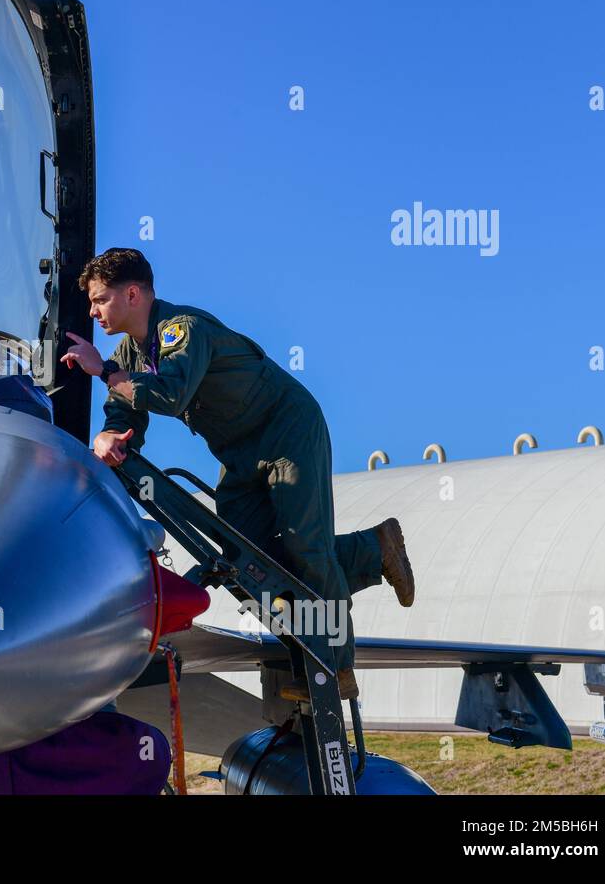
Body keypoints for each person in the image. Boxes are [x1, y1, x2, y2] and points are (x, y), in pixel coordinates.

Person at [59, 248, 414, 701]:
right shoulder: (130, 350)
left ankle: (334, 669)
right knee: (245, 561)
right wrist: (111, 436)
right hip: (238, 451)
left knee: (306, 547)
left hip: (286, 431)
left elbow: (169, 395)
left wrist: (104, 372)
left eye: (100, 299)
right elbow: (125, 408)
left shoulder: (181, 330)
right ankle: (371, 549)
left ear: (132, 293)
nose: (93, 311)